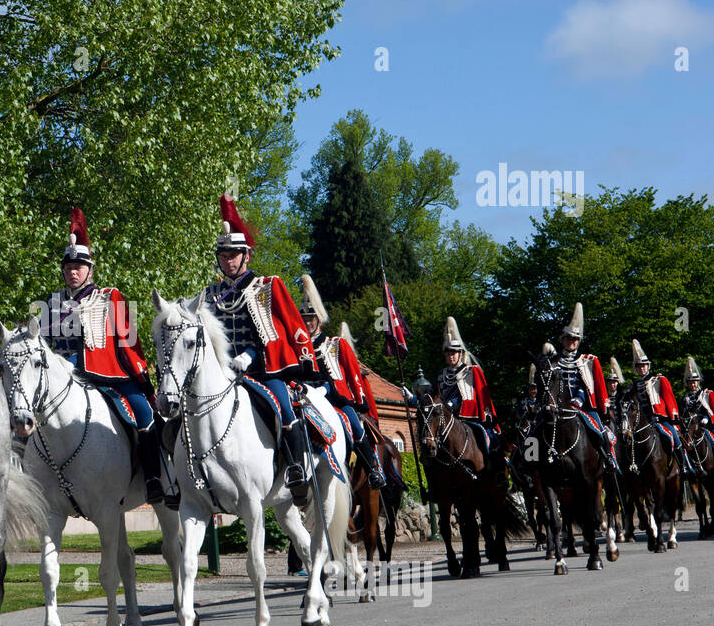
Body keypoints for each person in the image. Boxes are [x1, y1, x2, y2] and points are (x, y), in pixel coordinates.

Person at [37, 208, 165, 503]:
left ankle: (154, 479)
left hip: (112, 376)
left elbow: (130, 343)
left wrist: (142, 379)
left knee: (145, 414)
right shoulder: (51, 301)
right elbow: (43, 345)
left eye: (79, 267)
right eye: (68, 267)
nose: (73, 271)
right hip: (63, 379)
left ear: (90, 271)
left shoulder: (110, 296)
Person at [203, 195, 318, 497]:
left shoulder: (266, 287)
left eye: (234, 254)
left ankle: (295, 468)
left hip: (263, 370)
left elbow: (281, 331)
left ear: (246, 256)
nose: (228, 259)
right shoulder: (209, 295)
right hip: (223, 372)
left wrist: (250, 355)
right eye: (224, 254)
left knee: (283, 407)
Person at [298, 280, 384, 487]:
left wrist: (360, 402)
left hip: (337, 398)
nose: (307, 322)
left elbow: (354, 377)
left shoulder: (335, 345)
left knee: (353, 423)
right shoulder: (298, 348)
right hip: (306, 398)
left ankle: (373, 468)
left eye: (311, 318)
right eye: (304, 319)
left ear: (319, 320)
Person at [402, 317, 500, 458]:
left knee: (490, 440)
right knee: (427, 443)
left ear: (460, 354)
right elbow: (431, 397)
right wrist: (412, 398)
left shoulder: (471, 371)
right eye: (448, 354)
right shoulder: (441, 375)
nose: (450, 357)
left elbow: (479, 398)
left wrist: (454, 404)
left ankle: (497, 470)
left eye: (453, 353)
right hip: (443, 418)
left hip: (468, 418)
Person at [546, 303, 618, 471]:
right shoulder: (553, 361)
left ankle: (609, 459)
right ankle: (531, 464)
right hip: (557, 406)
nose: (572, 342)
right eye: (569, 338)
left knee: (603, 432)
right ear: (562, 340)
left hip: (584, 407)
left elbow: (592, 385)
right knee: (534, 431)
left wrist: (580, 398)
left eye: (575, 339)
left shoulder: (587, 360)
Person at [626, 339, 692, 476]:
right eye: (639, 366)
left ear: (648, 366)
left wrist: (673, 418)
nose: (641, 368)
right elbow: (626, 402)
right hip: (641, 422)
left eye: (644, 366)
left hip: (660, 419)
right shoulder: (633, 385)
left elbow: (669, 399)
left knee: (674, 437)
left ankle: (683, 465)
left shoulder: (659, 380)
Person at [678, 356, 714, 460]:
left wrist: (706, 418)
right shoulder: (685, 398)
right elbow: (683, 413)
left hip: (705, 425)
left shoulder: (705, 394)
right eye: (690, 382)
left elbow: (711, 409)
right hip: (690, 427)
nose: (692, 384)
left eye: (694, 382)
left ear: (698, 382)